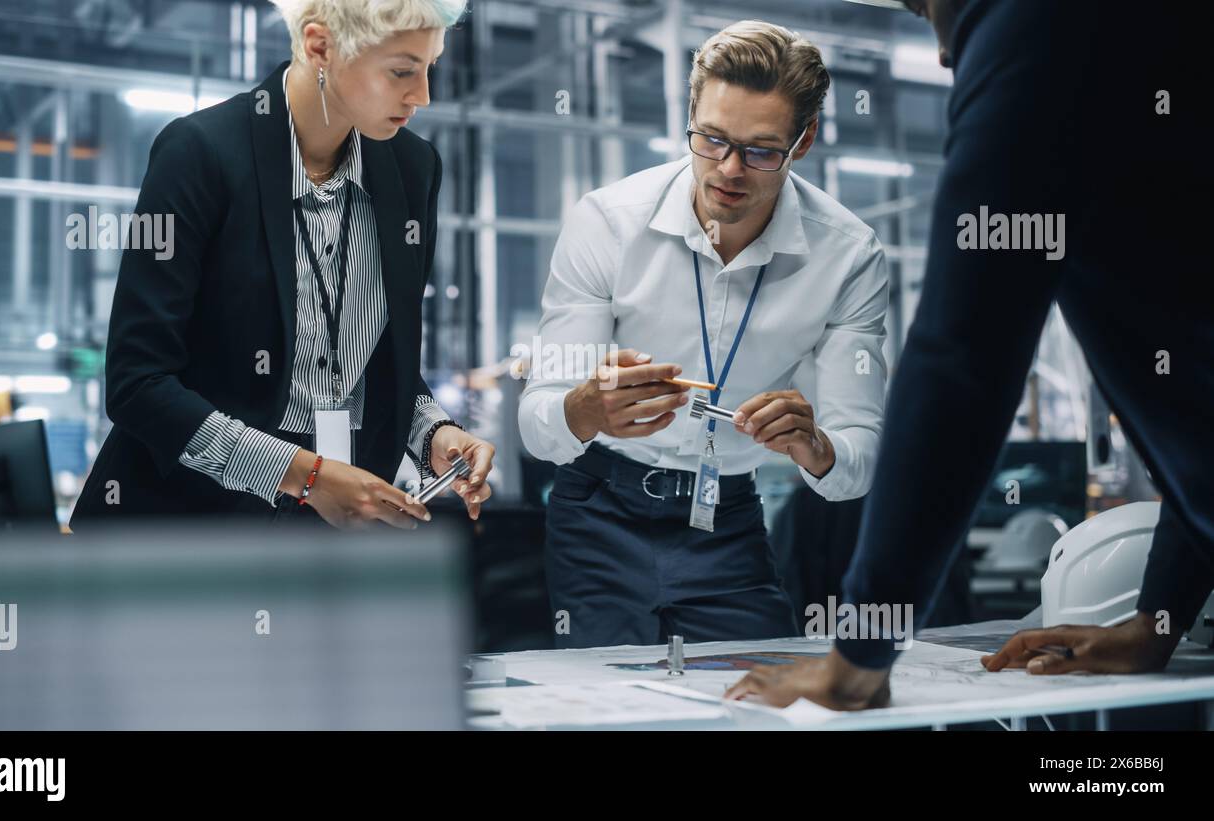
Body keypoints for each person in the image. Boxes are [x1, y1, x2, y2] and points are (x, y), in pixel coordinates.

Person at [725, 0, 1210, 709]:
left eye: (925, 9)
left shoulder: (1044, 22)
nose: (948, 54)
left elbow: (964, 354)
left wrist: (861, 653)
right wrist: (1157, 618)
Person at [518, 21, 889, 648]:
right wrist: (585, 409)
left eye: (762, 149)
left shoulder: (848, 255)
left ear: (805, 141)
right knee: (606, 710)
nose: (730, 170)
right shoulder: (607, 223)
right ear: (690, 116)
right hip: (599, 508)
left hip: (728, 514)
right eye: (711, 140)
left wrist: (817, 447)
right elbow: (538, 423)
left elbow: (861, 457)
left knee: (759, 702)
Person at [71, 0, 495, 531]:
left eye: (430, 67)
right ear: (320, 46)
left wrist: (435, 434)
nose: (422, 96)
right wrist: (304, 474)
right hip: (183, 522)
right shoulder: (201, 152)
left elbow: (379, 366)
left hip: (331, 519)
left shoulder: (412, 168)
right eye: (402, 70)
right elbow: (138, 383)